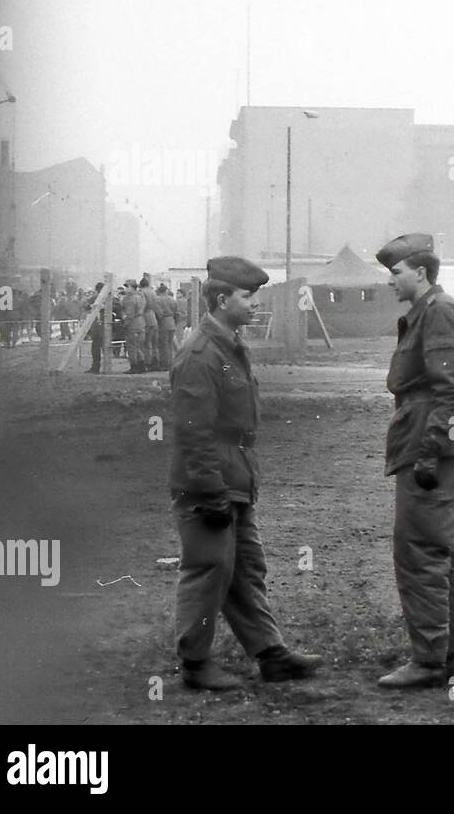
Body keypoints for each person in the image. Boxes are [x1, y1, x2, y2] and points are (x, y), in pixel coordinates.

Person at [168, 256, 322, 690]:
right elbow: (194, 433)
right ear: (222, 298)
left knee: (245, 569)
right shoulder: (200, 353)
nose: (255, 304)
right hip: (209, 482)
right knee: (208, 570)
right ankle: (195, 664)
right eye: (247, 296)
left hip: (234, 478)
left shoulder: (229, 345)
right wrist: (210, 490)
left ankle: (271, 654)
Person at [376, 233, 454, 688]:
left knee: (419, 550)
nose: (391, 281)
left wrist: (430, 450)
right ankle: (444, 654)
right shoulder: (429, 311)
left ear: (420, 272)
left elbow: (451, 388)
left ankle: (429, 660)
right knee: (437, 549)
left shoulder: (438, 312)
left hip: (430, 441)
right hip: (425, 436)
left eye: (396, 273)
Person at [121, 280, 148, 373]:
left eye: (127, 286)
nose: (125, 289)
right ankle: (142, 365)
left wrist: (124, 325)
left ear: (131, 287)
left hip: (133, 324)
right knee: (139, 346)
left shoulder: (130, 299)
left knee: (132, 346)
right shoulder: (141, 297)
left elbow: (130, 314)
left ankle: (134, 366)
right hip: (141, 322)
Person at [154, 284, 178, 372]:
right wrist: (175, 322)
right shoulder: (173, 300)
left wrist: (159, 321)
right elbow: (177, 313)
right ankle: (171, 362)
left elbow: (158, 313)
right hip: (171, 321)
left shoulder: (158, 300)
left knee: (163, 345)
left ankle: (164, 364)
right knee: (170, 344)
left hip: (163, 322)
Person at [84, 282, 106, 373]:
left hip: (101, 326)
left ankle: (97, 367)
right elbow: (85, 305)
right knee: (97, 348)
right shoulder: (95, 298)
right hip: (99, 326)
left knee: (97, 348)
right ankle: (97, 367)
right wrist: (91, 306)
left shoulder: (107, 298)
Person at [140, 275, 158, 370]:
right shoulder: (153, 292)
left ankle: (146, 362)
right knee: (152, 342)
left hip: (145, 317)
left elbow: (143, 305)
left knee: (145, 342)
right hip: (153, 316)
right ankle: (154, 361)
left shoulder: (142, 292)